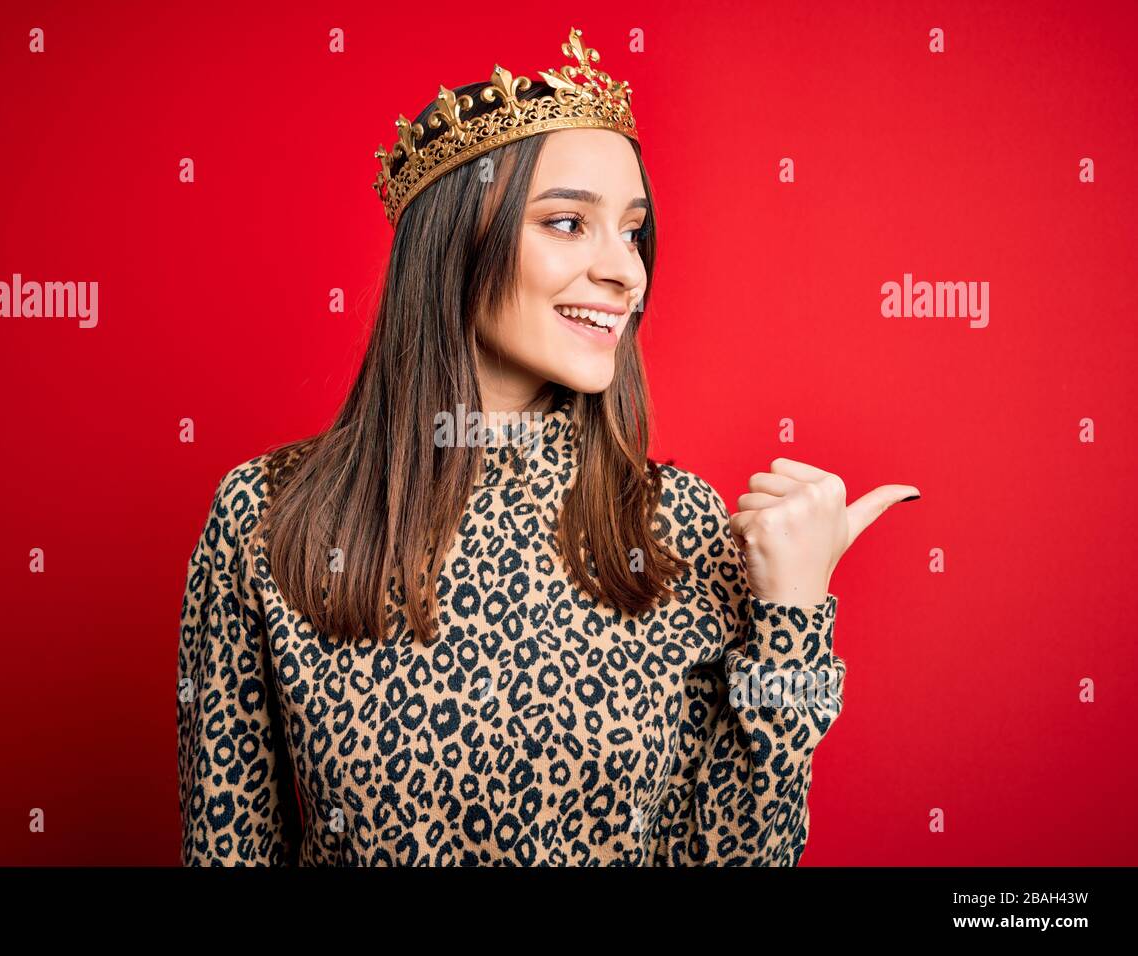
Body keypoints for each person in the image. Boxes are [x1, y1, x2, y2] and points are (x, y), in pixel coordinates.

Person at [175, 26, 919, 866]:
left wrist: (792, 620)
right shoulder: (266, 518)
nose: (625, 273)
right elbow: (226, 850)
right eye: (568, 223)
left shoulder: (676, 526)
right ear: (454, 251)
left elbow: (740, 858)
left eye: (633, 232)